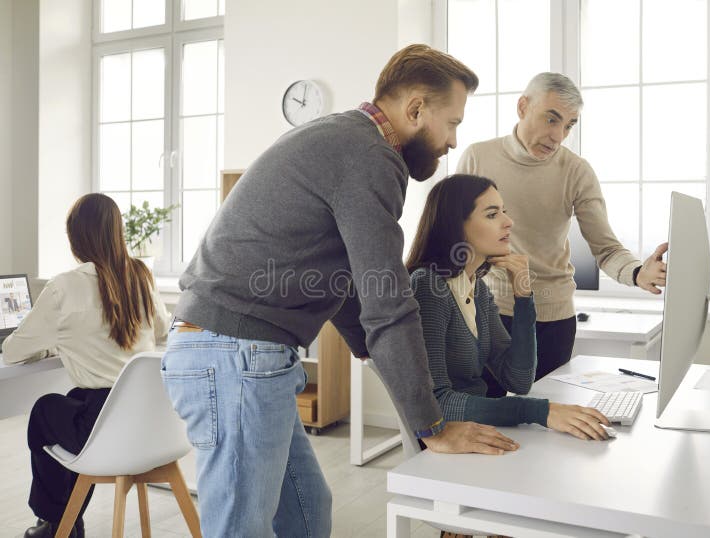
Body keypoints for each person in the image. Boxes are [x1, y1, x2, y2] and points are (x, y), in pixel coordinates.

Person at [161, 44, 519, 538]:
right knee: (242, 528)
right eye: (451, 123)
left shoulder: (348, 140)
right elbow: (388, 302)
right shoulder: (369, 156)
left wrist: (374, 355)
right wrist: (431, 426)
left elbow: (354, 284)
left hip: (245, 352)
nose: (452, 141)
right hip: (234, 352)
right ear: (416, 109)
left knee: (307, 513)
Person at [457, 72, 668, 391]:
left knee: (547, 423)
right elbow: (455, 237)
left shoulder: (576, 171)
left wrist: (637, 272)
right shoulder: (478, 157)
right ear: (523, 106)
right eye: (551, 119)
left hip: (552, 320)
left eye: (569, 125)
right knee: (492, 421)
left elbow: (607, 249)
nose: (558, 135)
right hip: (491, 311)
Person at [2, 193, 170, 538]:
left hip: (103, 429)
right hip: (149, 428)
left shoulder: (64, 287)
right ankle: (64, 522)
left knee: (46, 410)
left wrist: (51, 345)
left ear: (77, 238)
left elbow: (13, 350)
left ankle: (56, 523)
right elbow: (162, 329)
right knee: (72, 403)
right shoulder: (141, 276)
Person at [407, 174, 610, 441]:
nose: (508, 222)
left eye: (504, 211)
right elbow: (437, 403)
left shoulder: (476, 288)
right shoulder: (429, 286)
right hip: (449, 444)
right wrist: (541, 411)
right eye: (492, 215)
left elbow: (518, 380)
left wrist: (523, 296)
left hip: (478, 432)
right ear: (456, 225)